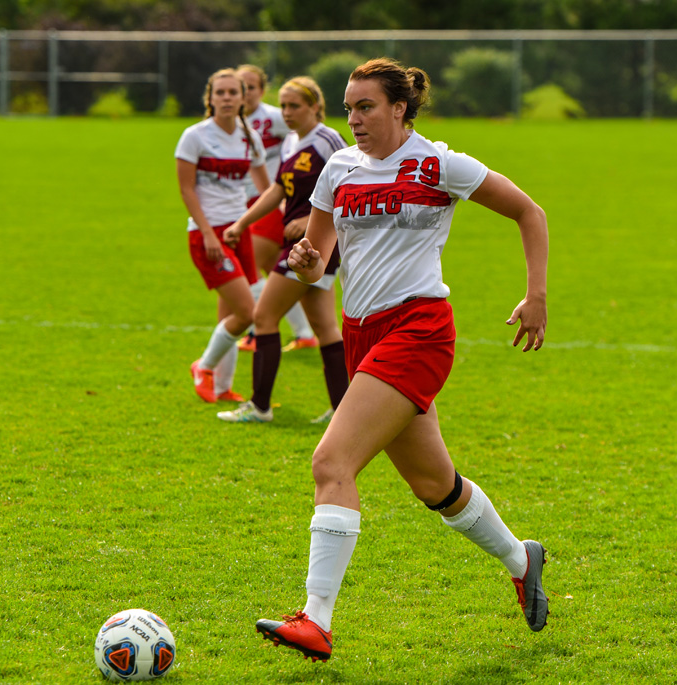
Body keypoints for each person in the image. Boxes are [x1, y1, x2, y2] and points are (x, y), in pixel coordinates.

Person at [254, 58, 551, 662]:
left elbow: (530, 212)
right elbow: (319, 253)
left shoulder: (439, 164)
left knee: (331, 463)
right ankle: (522, 559)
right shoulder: (338, 169)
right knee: (435, 486)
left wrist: (536, 295)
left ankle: (316, 619)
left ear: (399, 108)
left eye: (365, 107)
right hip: (363, 332)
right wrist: (308, 262)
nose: (354, 119)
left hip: (418, 331)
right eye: (348, 108)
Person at [216, 77, 349, 425]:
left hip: (312, 246)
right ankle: (345, 411)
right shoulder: (292, 141)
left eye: (295, 106)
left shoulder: (327, 140)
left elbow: (354, 186)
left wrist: (308, 219)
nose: (287, 113)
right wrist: (242, 224)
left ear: (315, 107)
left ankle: (260, 406)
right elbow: (277, 190)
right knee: (324, 327)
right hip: (299, 244)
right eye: (284, 106)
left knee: (263, 317)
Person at [175, 68, 269, 403]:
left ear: (244, 97)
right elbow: (186, 190)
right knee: (247, 312)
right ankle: (204, 365)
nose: (227, 98)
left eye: (233, 92)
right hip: (208, 234)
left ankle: (222, 388)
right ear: (210, 98)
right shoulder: (195, 136)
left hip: (236, 231)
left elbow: (266, 190)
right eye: (220, 93)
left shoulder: (249, 137)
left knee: (229, 314)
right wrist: (208, 234)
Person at [235, 64, 318, 354]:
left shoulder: (275, 117)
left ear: (261, 90)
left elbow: (305, 140)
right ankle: (305, 332)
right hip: (241, 203)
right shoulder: (228, 122)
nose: (244, 94)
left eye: (251, 87)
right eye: (239, 87)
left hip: (270, 202)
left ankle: (257, 329)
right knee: (273, 271)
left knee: (250, 267)